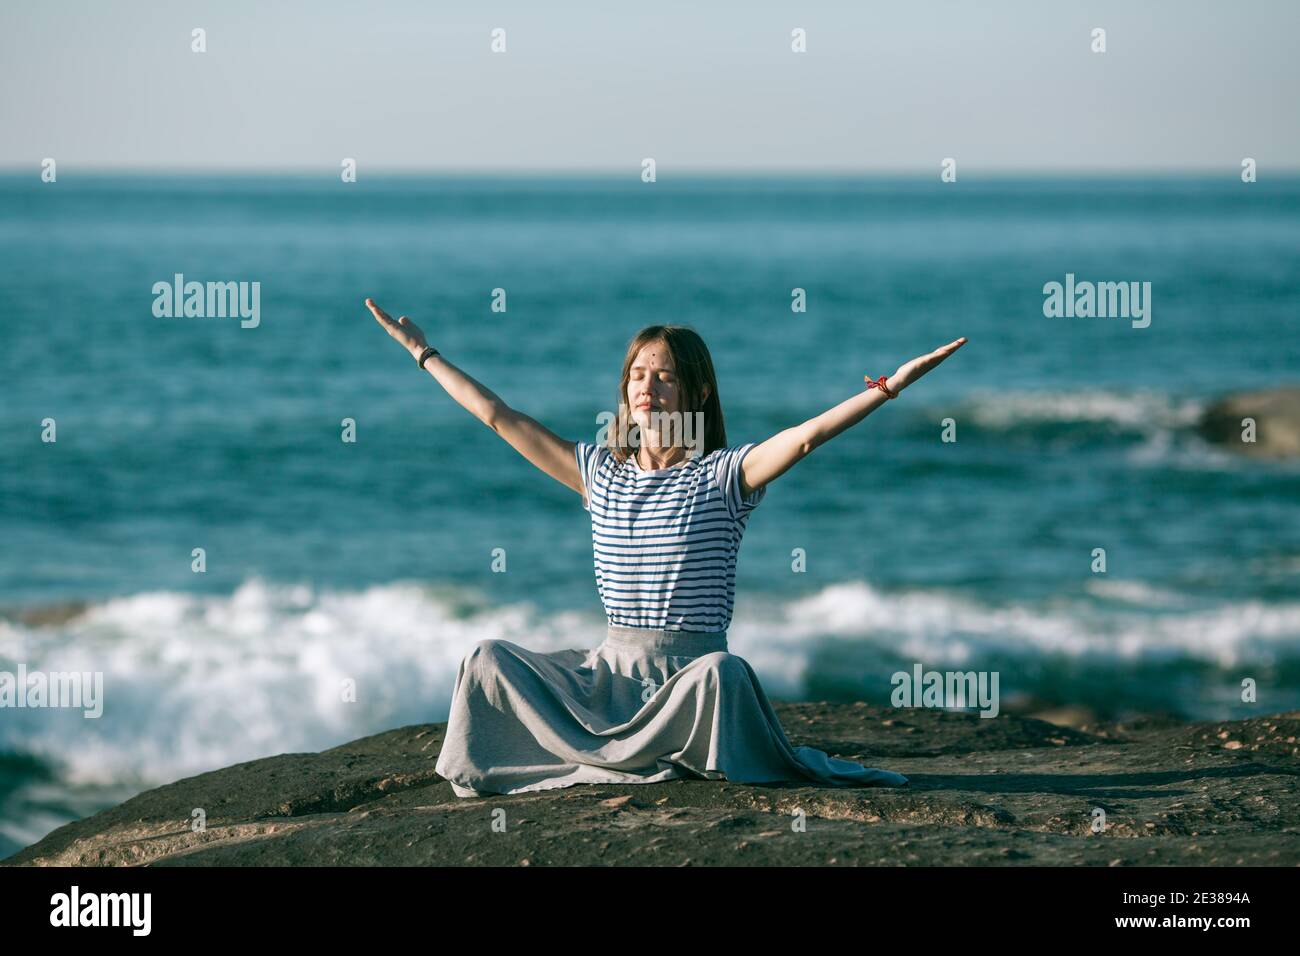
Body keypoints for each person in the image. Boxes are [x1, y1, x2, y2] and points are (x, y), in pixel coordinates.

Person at [365, 298, 966, 797]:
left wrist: (889, 387)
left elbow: (805, 438)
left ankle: (652, 756)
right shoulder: (599, 471)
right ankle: (601, 754)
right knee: (487, 659)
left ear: (697, 390)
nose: (647, 386)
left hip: (689, 685)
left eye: (665, 374)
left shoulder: (724, 475)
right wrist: (424, 353)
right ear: (623, 390)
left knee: (723, 675)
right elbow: (497, 416)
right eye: (637, 374)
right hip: (605, 682)